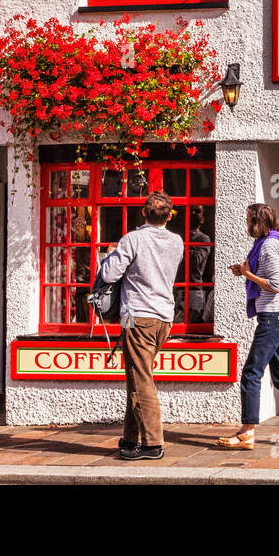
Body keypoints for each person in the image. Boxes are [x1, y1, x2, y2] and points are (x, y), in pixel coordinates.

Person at [214, 203, 279, 450]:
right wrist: (244, 272)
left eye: (248, 219)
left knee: (251, 373)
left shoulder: (268, 246)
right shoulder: (269, 243)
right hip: (278, 316)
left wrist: (248, 275)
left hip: (273, 317)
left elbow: (276, 284)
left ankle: (247, 431)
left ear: (257, 222)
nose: (246, 224)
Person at [98, 191, 184, 460]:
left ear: (143, 214)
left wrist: (110, 254)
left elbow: (110, 273)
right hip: (164, 318)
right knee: (136, 377)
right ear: (169, 216)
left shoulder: (133, 239)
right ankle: (130, 439)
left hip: (136, 317)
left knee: (141, 380)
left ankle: (152, 444)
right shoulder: (176, 241)